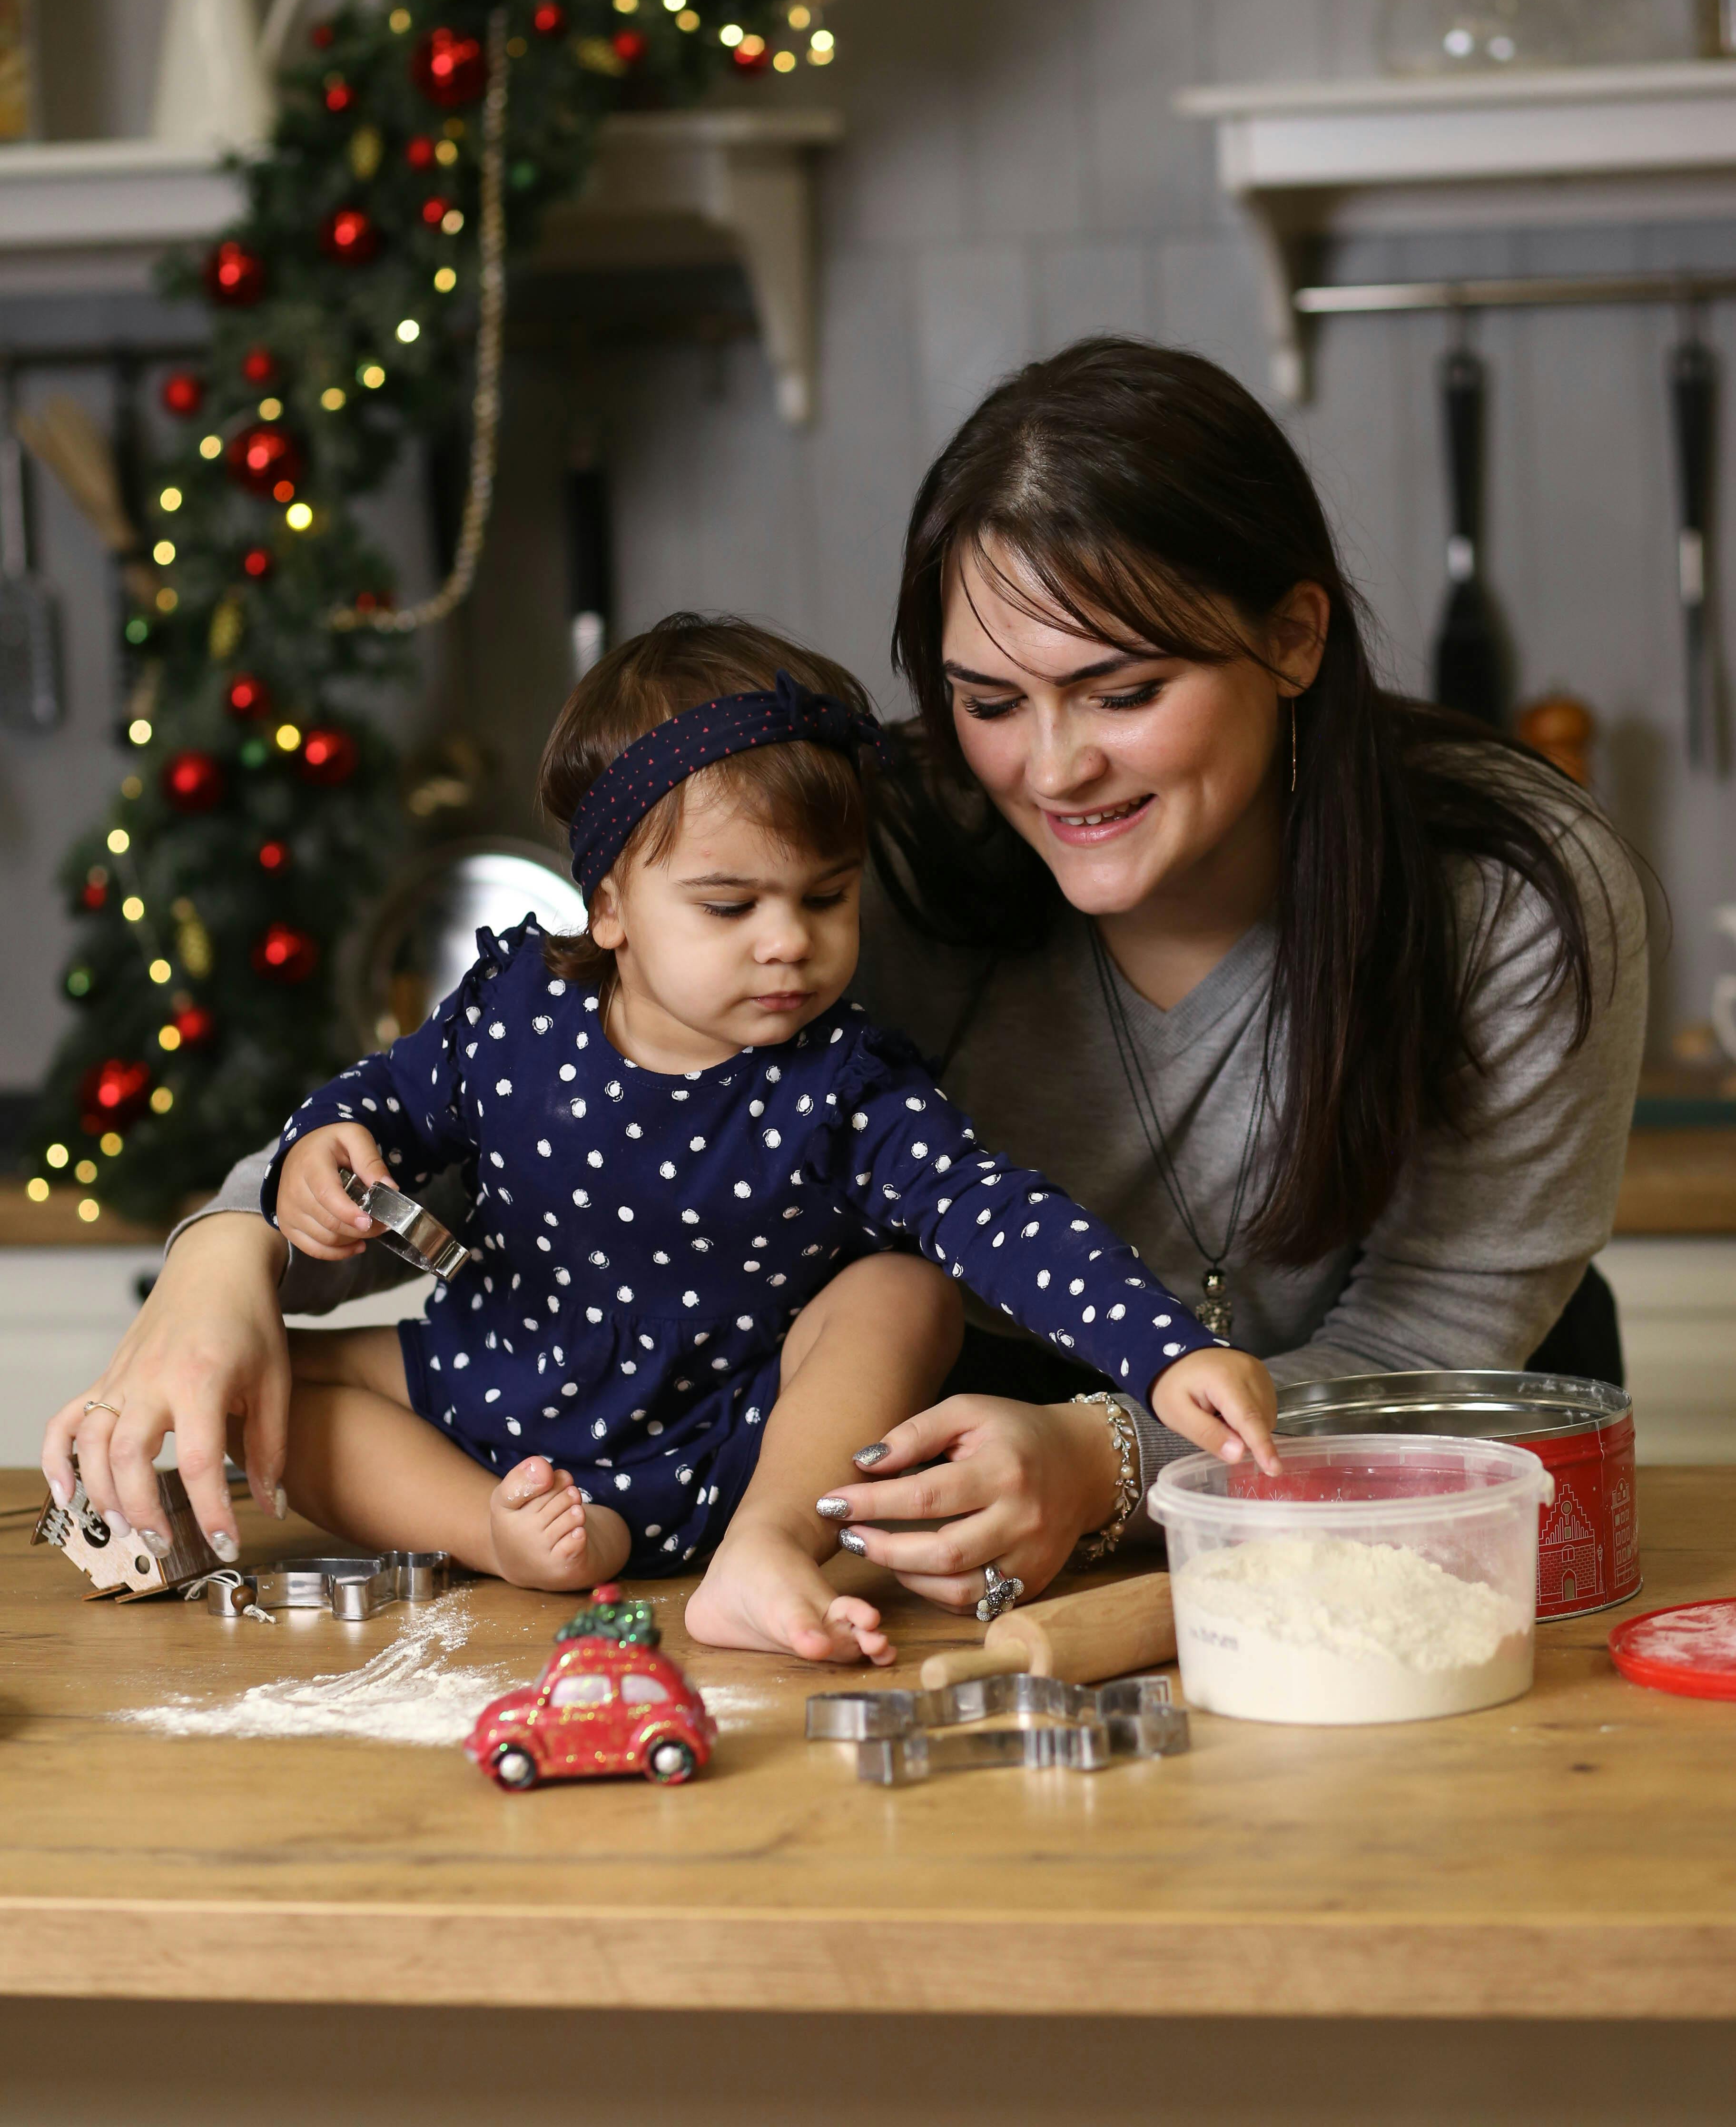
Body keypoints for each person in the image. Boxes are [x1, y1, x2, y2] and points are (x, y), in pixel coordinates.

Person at [47, 338, 1647, 1622]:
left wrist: (1104, 1454)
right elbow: (445, 1154)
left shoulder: (1506, 902)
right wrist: (225, 1253)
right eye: (986, 700)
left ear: (1292, 638)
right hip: (910, 1539)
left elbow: (1428, 1358)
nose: (1055, 767)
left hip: (1332, 1545)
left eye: (1122, 688)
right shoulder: (837, 866)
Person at [135, 617, 1279, 1662]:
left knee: (904, 1289)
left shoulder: (847, 1083)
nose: (790, 944)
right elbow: (372, 1097)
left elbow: (996, 1213)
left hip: (731, 1442)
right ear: (610, 906)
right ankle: (495, 1538)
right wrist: (319, 1151)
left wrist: (1163, 1354)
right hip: (496, 1396)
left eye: (826, 900)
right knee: (275, 1387)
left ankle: (767, 1551)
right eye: (731, 908)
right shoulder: (511, 1016)